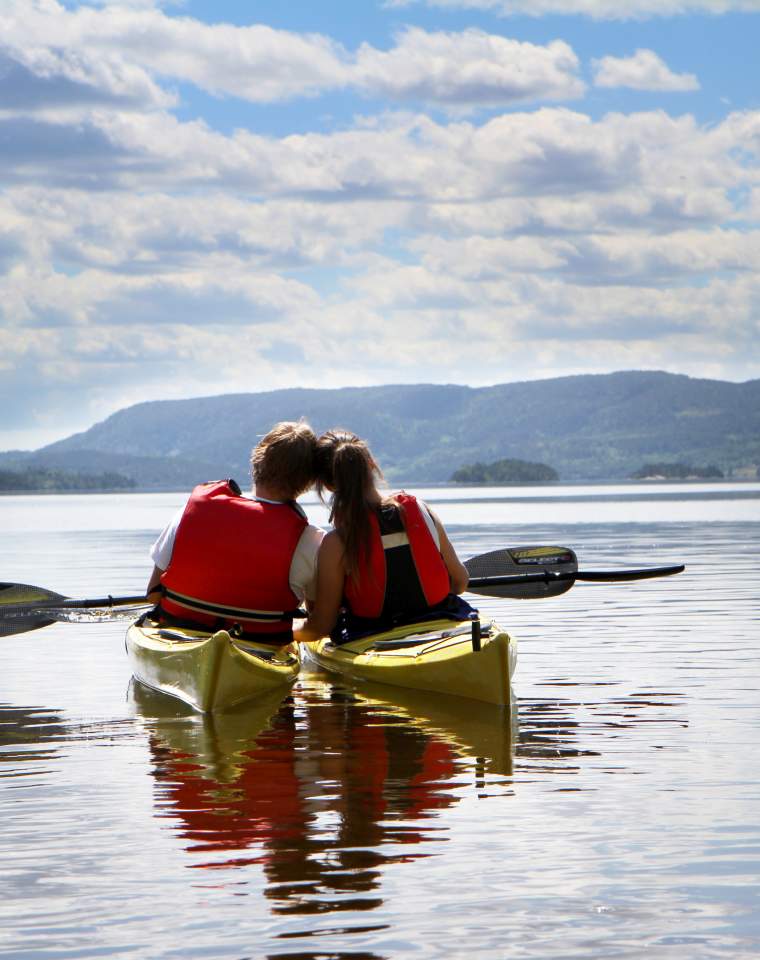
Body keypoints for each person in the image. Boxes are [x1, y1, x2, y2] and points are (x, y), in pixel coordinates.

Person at [146, 420, 322, 644]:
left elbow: (153, 593)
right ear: (308, 482)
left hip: (178, 633)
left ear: (256, 462)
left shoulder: (190, 512)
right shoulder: (312, 541)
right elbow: (315, 619)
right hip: (259, 644)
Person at [294, 429, 471, 645]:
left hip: (373, 637)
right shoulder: (422, 511)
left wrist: (284, 632)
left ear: (328, 485)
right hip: (441, 625)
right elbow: (460, 582)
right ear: (370, 464)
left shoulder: (337, 542)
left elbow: (320, 627)